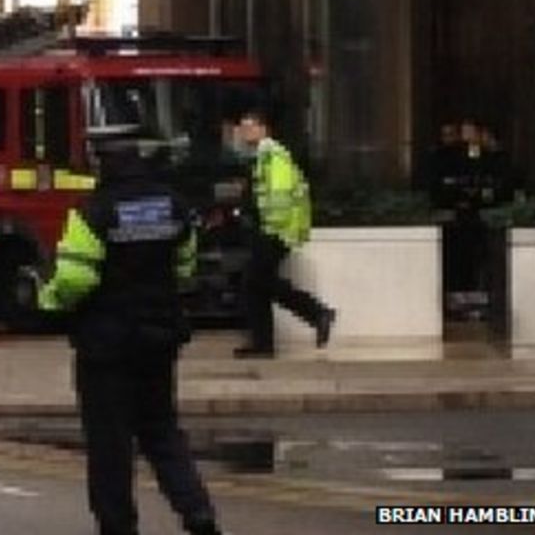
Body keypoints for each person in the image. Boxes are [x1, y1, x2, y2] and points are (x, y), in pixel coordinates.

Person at [38, 135, 223, 535]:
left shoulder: (93, 211)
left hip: (107, 344)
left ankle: (118, 525)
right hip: (159, 337)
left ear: (102, 166)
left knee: (111, 444)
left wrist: (48, 299)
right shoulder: (173, 204)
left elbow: (75, 279)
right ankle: (198, 513)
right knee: (162, 431)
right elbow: (185, 266)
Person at [233, 111, 335, 358]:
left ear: (263, 129)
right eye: (243, 128)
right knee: (257, 285)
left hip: (274, 231)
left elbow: (279, 198)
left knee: (256, 282)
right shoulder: (261, 158)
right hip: (270, 231)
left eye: (251, 127)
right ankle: (265, 344)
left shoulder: (273, 157)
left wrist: (270, 229)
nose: (246, 133)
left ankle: (316, 313)